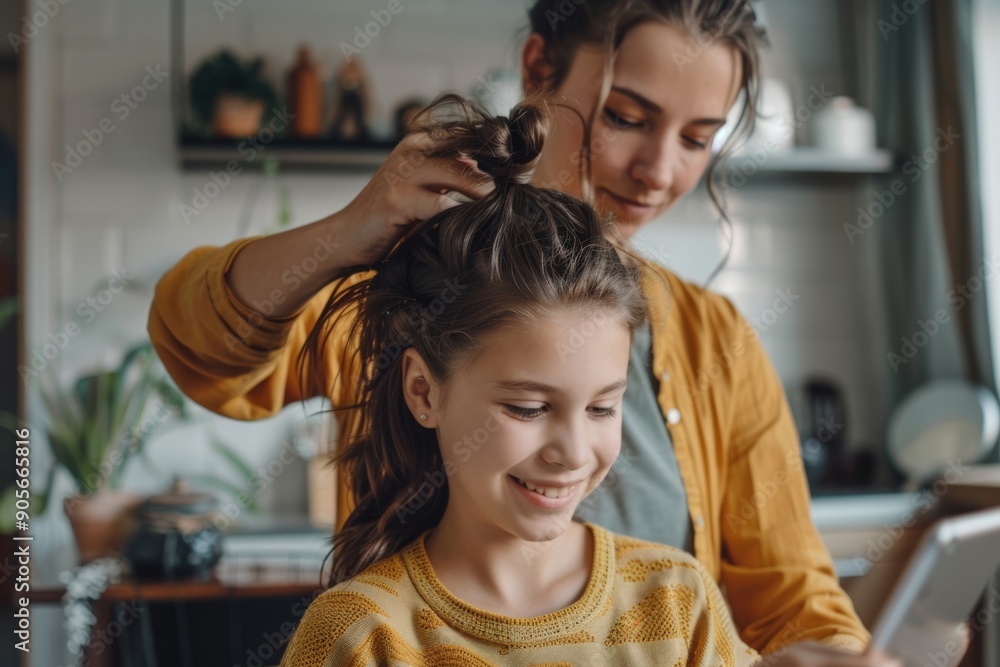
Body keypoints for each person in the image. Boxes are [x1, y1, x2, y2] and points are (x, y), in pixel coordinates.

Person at [148, 1, 902, 663]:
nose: (658, 170)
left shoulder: (718, 345)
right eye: (626, 117)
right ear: (538, 65)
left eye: (699, 138)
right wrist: (350, 230)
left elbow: (793, 592)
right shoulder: (414, 290)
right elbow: (200, 350)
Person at [278, 93, 760, 666]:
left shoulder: (680, 602)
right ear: (423, 391)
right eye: (528, 409)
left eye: (603, 408)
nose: (574, 453)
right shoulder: (362, 633)